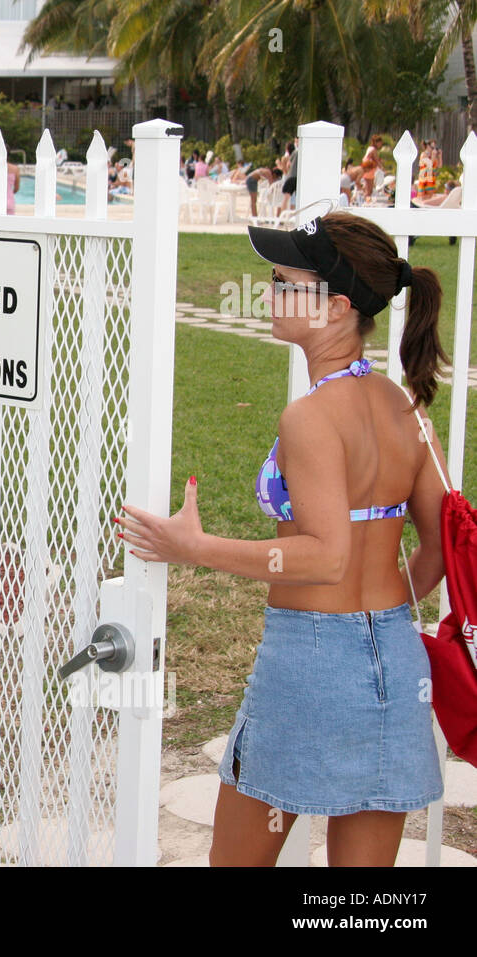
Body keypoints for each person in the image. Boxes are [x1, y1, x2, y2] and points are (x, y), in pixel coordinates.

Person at [117, 212, 450, 866]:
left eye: (284, 281)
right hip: (394, 659)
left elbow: (325, 554)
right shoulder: (405, 408)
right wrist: (378, 611)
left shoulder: (311, 417)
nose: (268, 294)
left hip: (309, 662)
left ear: (338, 306)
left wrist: (195, 546)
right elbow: (437, 548)